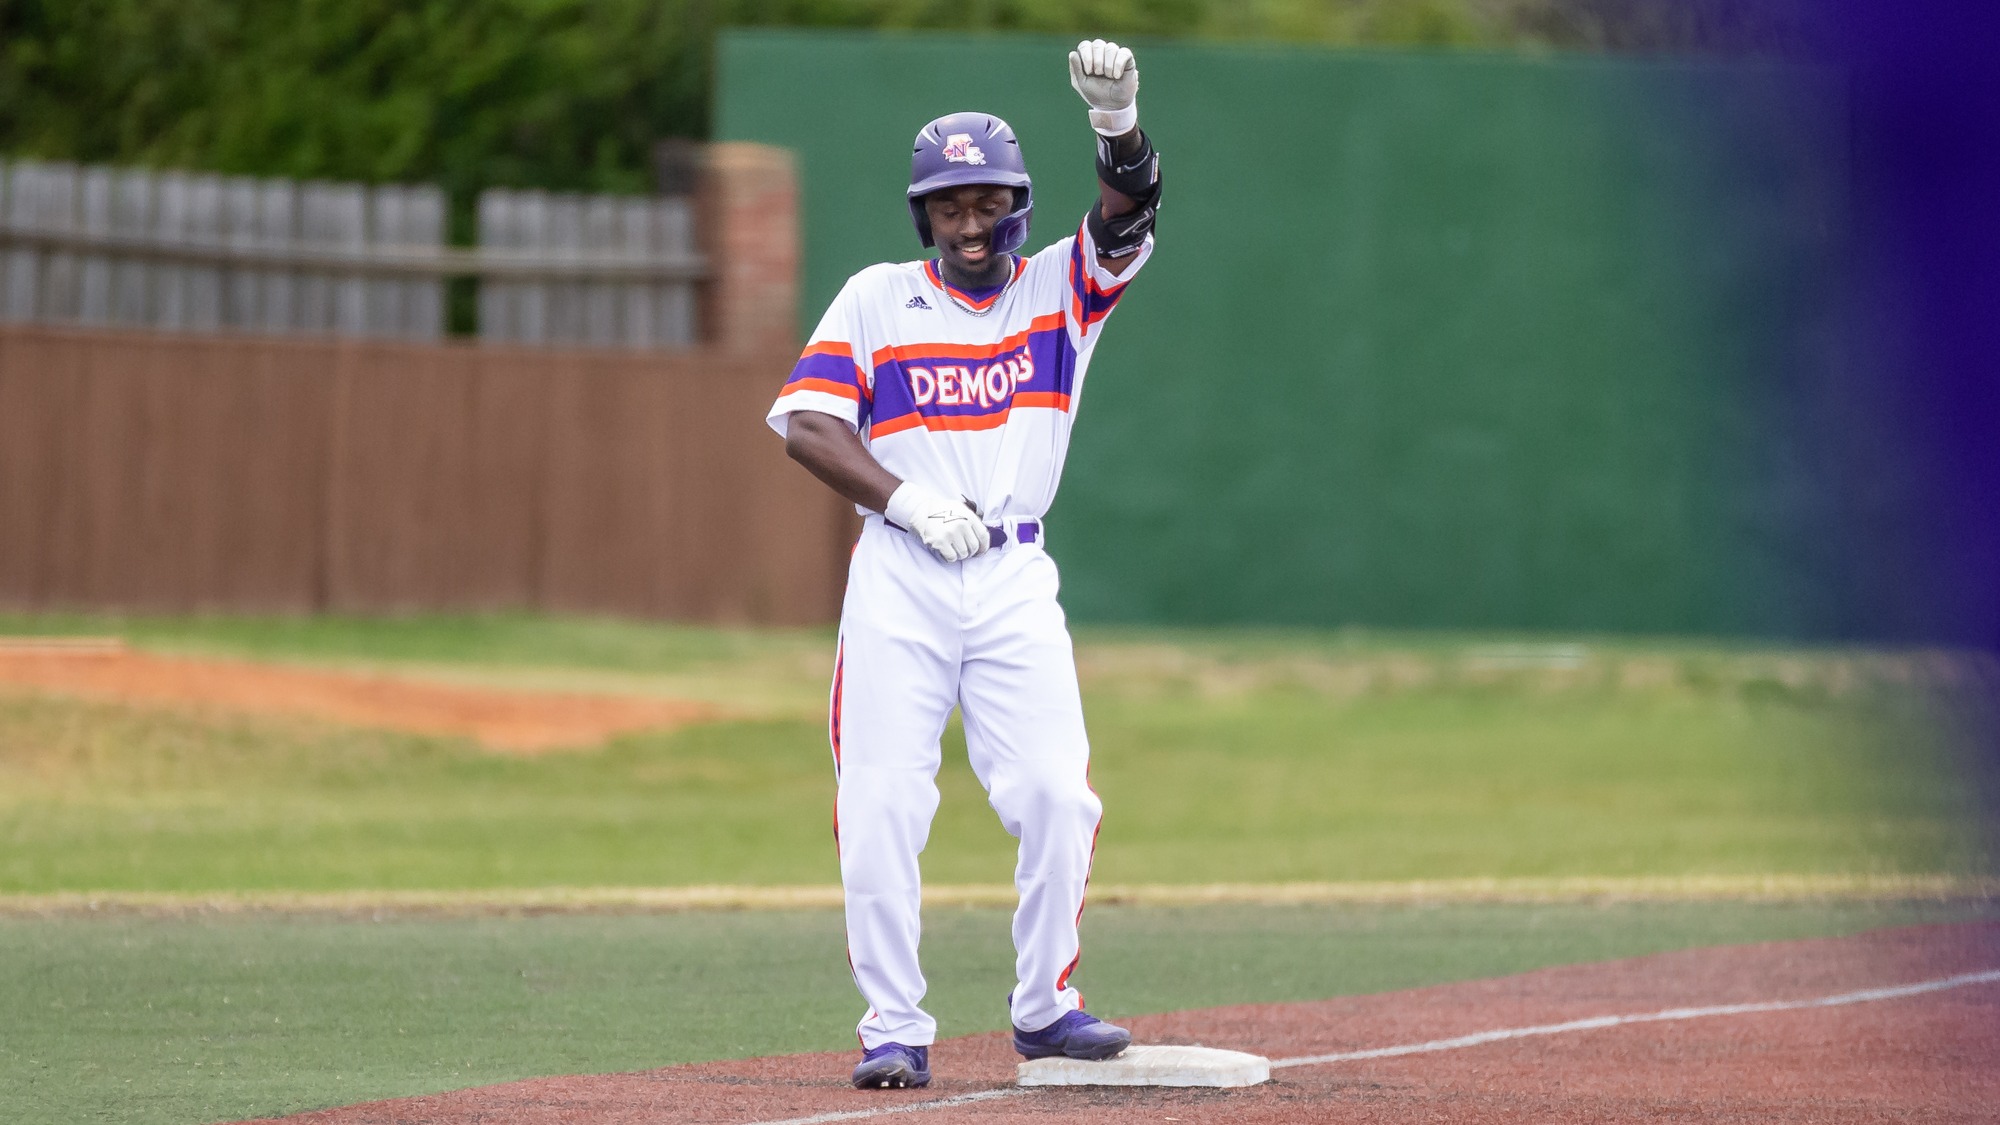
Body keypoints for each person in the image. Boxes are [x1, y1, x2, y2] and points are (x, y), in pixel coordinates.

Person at [766, 38, 1163, 1091]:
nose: (970, 223)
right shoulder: (875, 298)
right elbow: (804, 422)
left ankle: (1044, 1008)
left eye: (987, 201)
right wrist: (903, 497)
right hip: (900, 574)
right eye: (948, 205)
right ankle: (891, 1027)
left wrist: (1116, 125)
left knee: (1051, 794)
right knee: (883, 807)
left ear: (1018, 204)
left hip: (1012, 575)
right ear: (921, 214)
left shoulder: (1057, 292)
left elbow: (1125, 215)